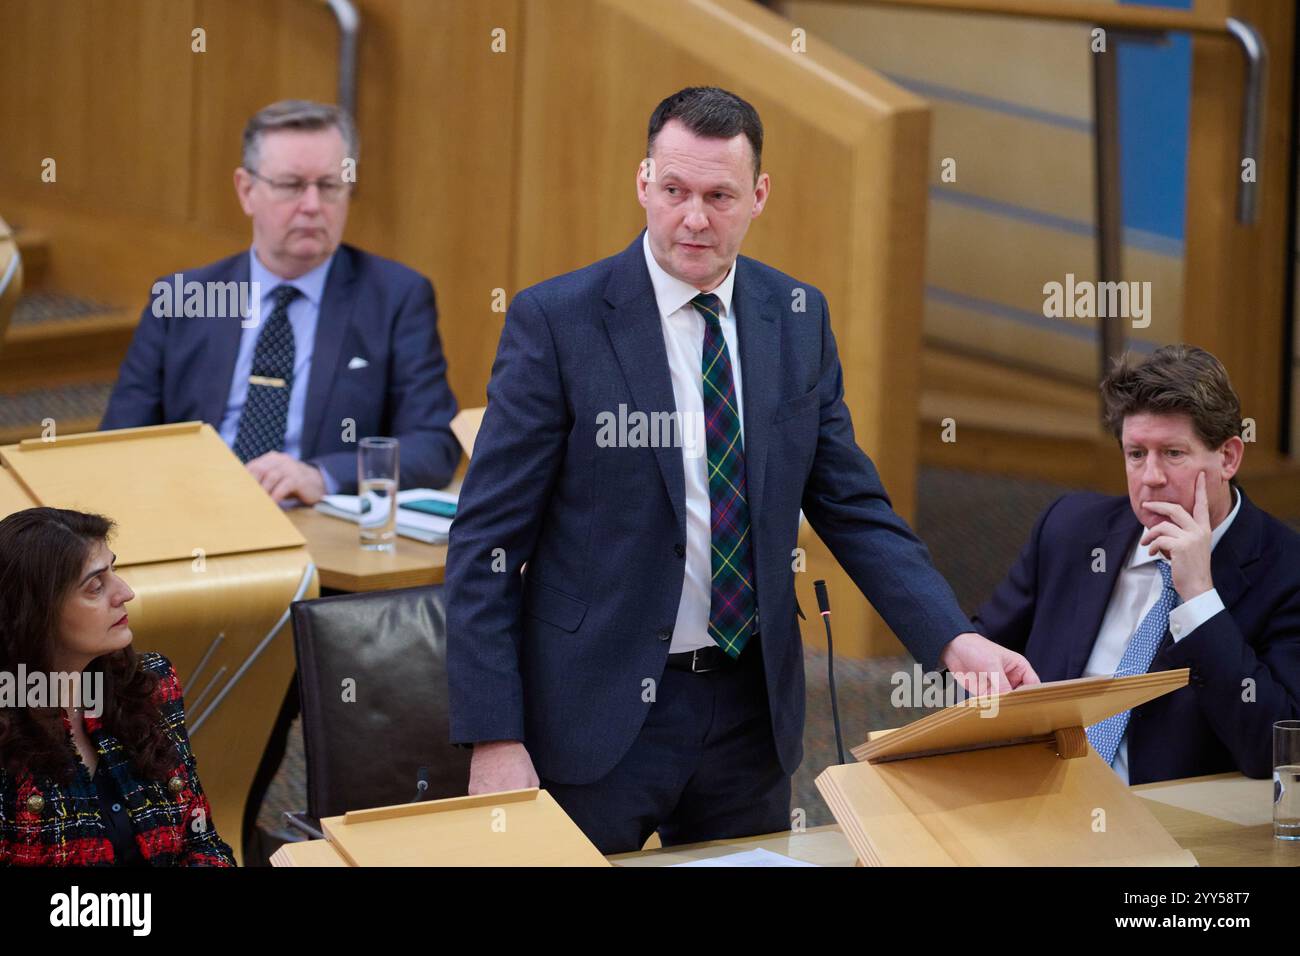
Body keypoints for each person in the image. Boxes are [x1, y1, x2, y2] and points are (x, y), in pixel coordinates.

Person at [446, 86, 1038, 854]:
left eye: (719, 196)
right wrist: (494, 735)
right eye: (675, 191)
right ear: (643, 184)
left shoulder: (796, 317)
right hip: (595, 712)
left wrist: (955, 641)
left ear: (758, 197)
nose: (694, 218)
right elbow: (485, 544)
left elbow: (853, 508)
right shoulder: (556, 323)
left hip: (748, 714)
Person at [101, 99, 460, 503]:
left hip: (318, 525)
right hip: (195, 509)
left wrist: (323, 476)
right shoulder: (186, 298)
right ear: (246, 190)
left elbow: (434, 445)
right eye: (291, 185)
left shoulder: (396, 297)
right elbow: (119, 440)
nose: (311, 206)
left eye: (329, 186)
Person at [973, 344, 1300, 783]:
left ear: (1228, 457)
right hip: (1036, 802)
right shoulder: (1070, 530)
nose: (1151, 478)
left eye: (1173, 453)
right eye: (1136, 454)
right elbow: (978, 654)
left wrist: (1200, 599)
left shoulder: (1285, 571)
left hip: (1170, 829)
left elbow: (1276, 750)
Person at [0, 508, 235, 865]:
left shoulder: (149, 683)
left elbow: (200, 841)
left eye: (114, 570)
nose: (125, 593)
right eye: (95, 586)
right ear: (36, 613)